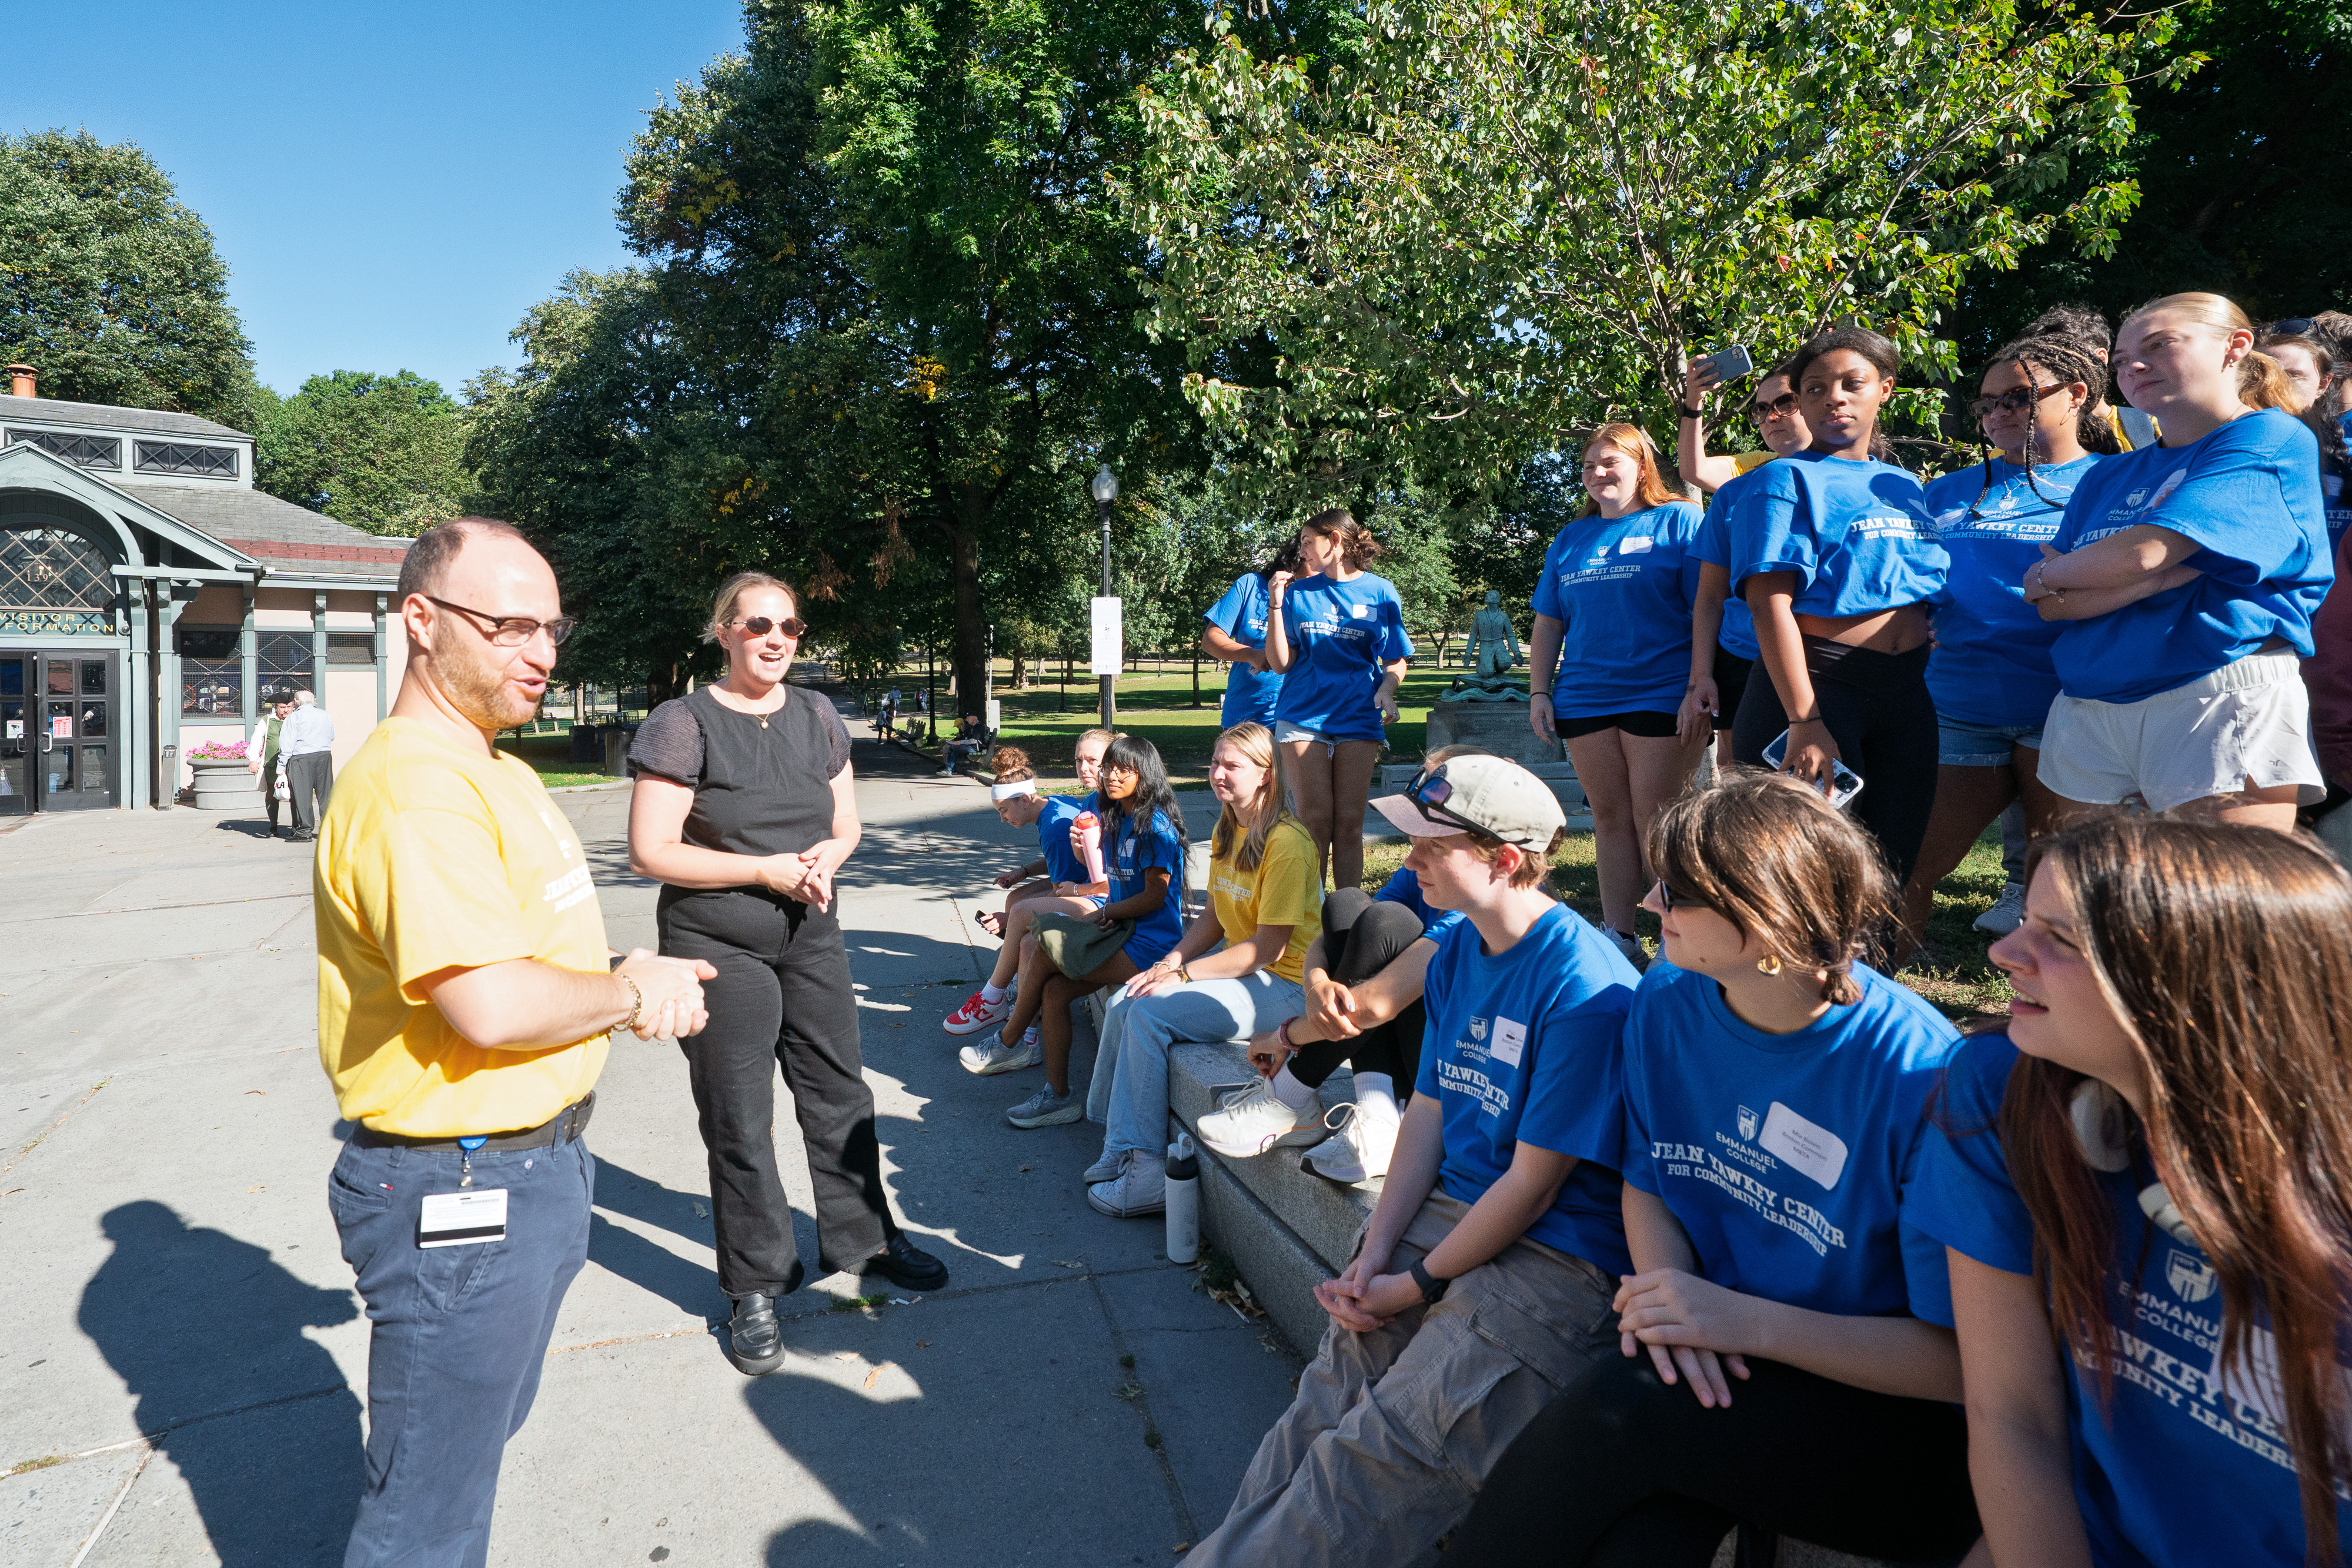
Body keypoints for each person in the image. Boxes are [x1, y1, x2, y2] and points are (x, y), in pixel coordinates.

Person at [1446, 771, 1977, 1566]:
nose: (1651, 904)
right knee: (1636, 1534)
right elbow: (1651, 1178)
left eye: (1676, 891)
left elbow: (1963, 1363)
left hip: (1889, 1417)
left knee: (1625, 1404)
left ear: (1763, 921)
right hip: (1729, 1368)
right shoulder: (1667, 997)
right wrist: (1674, 1309)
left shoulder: (1921, 1076)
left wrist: (1737, 1321)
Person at [316, 517, 716, 1564]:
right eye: (507, 625)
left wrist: (616, 977)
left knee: (463, 1457)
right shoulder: (417, 786)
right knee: (425, 1522)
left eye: (550, 626)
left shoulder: (495, 769)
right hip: (461, 1190)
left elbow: (523, 947)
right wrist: (631, 988)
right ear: (420, 619)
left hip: (526, 1169)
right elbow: (489, 1003)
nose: (540, 651)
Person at [1182, 754, 1642, 1566]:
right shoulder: (1460, 944)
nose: (1409, 859)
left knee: (1372, 1457)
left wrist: (1421, 1280)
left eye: (1430, 844)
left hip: (1552, 1255)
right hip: (1451, 1214)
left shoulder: (1586, 985)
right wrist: (1379, 1251)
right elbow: (1428, 1111)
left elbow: (1534, 1187)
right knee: (1325, 1407)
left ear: (1503, 859)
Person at [1916, 817, 2352, 1567]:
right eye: (2026, 922)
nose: (2002, 953)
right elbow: (2013, 1417)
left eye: (2059, 939)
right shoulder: (2001, 1095)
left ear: (2196, 994)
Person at [626, 570, 948, 1378]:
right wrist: (765, 870)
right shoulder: (683, 721)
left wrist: (825, 858)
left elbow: (845, 822)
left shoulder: (816, 712)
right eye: (758, 624)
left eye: (791, 626)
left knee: (842, 1089)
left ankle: (865, 1237)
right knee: (739, 1112)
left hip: (811, 927)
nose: (776, 638)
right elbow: (652, 850)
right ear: (725, 631)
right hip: (717, 939)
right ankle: (757, 1282)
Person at [2026, 292, 2332, 833]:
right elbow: (2050, 605)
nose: (2133, 367)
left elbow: (2141, 552)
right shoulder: (2106, 475)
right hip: (2089, 705)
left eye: (2159, 345)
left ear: (2235, 348)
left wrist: (2078, 572)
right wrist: (2157, 574)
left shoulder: (2269, 435)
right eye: (2120, 361)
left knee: (2223, 908)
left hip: (2217, 696)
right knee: (2092, 907)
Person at [1893, 329, 2107, 957]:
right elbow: (1914, 586)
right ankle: (1865, 1007)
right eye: (1987, 403)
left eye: (2016, 397)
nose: (1997, 415)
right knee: (1901, 865)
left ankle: (2053, 1031)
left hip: (2070, 705)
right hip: (1958, 703)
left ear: (2075, 395)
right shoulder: (1946, 492)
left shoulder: (2114, 482)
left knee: (2065, 885)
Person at [1199, 746, 1486, 1185]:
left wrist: (1284, 1036)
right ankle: (1376, 1114)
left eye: (1432, 843)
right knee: (1348, 903)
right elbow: (1341, 934)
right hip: (1419, 1046)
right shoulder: (1424, 874)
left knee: (1384, 923)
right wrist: (1315, 984)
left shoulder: (1478, 907)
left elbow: (1379, 1003)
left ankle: (1291, 1094)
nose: (1410, 858)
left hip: (1454, 1078)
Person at [1729, 326, 1949, 885]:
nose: (1836, 397)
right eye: (1816, 388)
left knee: (1890, 871)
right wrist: (1806, 722)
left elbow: (1908, 580)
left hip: (1905, 693)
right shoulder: (1782, 479)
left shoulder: (1902, 483)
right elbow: (1768, 606)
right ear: (1801, 400)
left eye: (1854, 383)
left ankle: (1863, 976)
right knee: (1802, 879)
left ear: (1886, 389)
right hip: (1818, 691)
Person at [1084, 722, 1322, 1217]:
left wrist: (1186, 976)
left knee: (1150, 1014)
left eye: (1232, 765)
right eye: (1215, 763)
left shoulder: (1288, 842)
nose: (1218, 773)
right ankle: (1119, 1142)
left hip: (1289, 987)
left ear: (1265, 775)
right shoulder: (1228, 826)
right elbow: (1214, 916)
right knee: (1129, 997)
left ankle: (1148, 1171)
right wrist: (1170, 961)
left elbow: (1267, 949)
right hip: (1251, 975)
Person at [1528, 423, 1706, 967]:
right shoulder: (1570, 538)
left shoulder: (1680, 519)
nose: (1598, 473)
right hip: (1583, 696)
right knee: (1609, 818)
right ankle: (1620, 936)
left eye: (1610, 462)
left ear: (1642, 466)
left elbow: (1707, 609)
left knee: (1657, 818)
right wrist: (1539, 690)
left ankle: (1682, 941)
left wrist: (1700, 682)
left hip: (1661, 690)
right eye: (1588, 465)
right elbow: (1547, 623)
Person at [986, 733, 1186, 1126]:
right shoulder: (1116, 817)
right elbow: (1100, 874)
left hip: (1149, 942)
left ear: (1144, 775)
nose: (1109, 775)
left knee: (1044, 950)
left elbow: (1154, 898)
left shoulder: (1156, 827)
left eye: (1121, 769)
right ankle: (1058, 1097)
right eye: (1107, 767)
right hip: (1121, 928)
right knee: (1056, 990)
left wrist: (1103, 912)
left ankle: (1008, 1040)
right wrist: (1081, 850)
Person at [1266, 508, 1414, 890]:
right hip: (1303, 718)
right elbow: (1281, 664)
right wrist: (1276, 605)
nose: (1301, 552)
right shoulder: (1297, 593)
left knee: (1349, 823)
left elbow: (1396, 659)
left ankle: (1347, 917)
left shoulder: (1381, 591)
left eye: (1307, 543)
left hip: (1358, 717)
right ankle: (1310, 919)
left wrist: (1386, 689)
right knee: (1314, 821)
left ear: (1334, 541)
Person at [1679, 363, 1816, 770]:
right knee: (1742, 782)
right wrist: (1699, 676)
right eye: (1761, 409)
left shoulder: (1870, 476)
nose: (1771, 417)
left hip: (1825, 654)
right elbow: (1709, 596)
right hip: (1742, 653)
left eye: (1785, 403)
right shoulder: (1746, 477)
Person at [941, 745, 1105, 1042]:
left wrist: (1010, 919)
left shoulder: (1054, 829)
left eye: (1004, 811)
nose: (1003, 819)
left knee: (1018, 912)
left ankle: (997, 998)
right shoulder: (1052, 804)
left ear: (1026, 800)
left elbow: (1062, 888)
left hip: (1090, 892)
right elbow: (1060, 864)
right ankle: (1016, 978)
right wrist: (1024, 872)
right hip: (1083, 881)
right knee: (1015, 899)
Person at [2256, 326, 2351, 557]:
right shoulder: (2208, 451)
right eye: (2259, 373)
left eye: (2293, 375)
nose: (2274, 386)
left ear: (2323, 384)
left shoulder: (2346, 455)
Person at [1201, 534, 1304, 729]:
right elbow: (1210, 640)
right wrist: (1251, 655)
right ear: (1297, 556)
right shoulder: (1251, 585)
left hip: (1298, 721)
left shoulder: (1318, 596)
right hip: (1244, 718)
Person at [280, 687, 337, 842]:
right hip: (324, 756)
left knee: (302, 796)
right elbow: (332, 735)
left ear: (297, 701)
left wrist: (281, 767)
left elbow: (287, 744)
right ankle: (329, 830)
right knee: (325, 795)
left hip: (301, 758)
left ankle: (304, 831)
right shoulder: (324, 714)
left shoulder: (294, 718)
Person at [246, 687, 294, 839]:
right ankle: (273, 826)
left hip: (294, 765)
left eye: (289, 707)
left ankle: (296, 826)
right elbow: (256, 740)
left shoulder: (297, 719)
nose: (286, 710)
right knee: (272, 796)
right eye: (283, 707)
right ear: (276, 707)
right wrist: (253, 760)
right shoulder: (267, 721)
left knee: (296, 796)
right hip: (272, 765)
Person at [941, 711, 988, 776]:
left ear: (974, 718)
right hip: (972, 747)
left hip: (975, 748)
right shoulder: (974, 727)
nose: (967, 720)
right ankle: (950, 770)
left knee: (953, 748)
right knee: (953, 749)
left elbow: (973, 741)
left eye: (969, 718)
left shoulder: (979, 727)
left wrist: (960, 742)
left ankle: (949, 770)